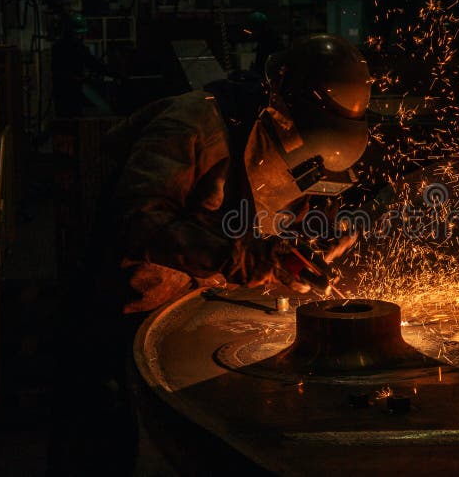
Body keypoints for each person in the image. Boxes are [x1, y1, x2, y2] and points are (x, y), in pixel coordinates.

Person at [102, 33, 371, 313]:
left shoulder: (286, 134)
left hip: (211, 301)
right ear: (281, 102)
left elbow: (275, 212)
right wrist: (241, 258)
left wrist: (312, 236)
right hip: (141, 308)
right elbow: (138, 222)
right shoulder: (190, 123)